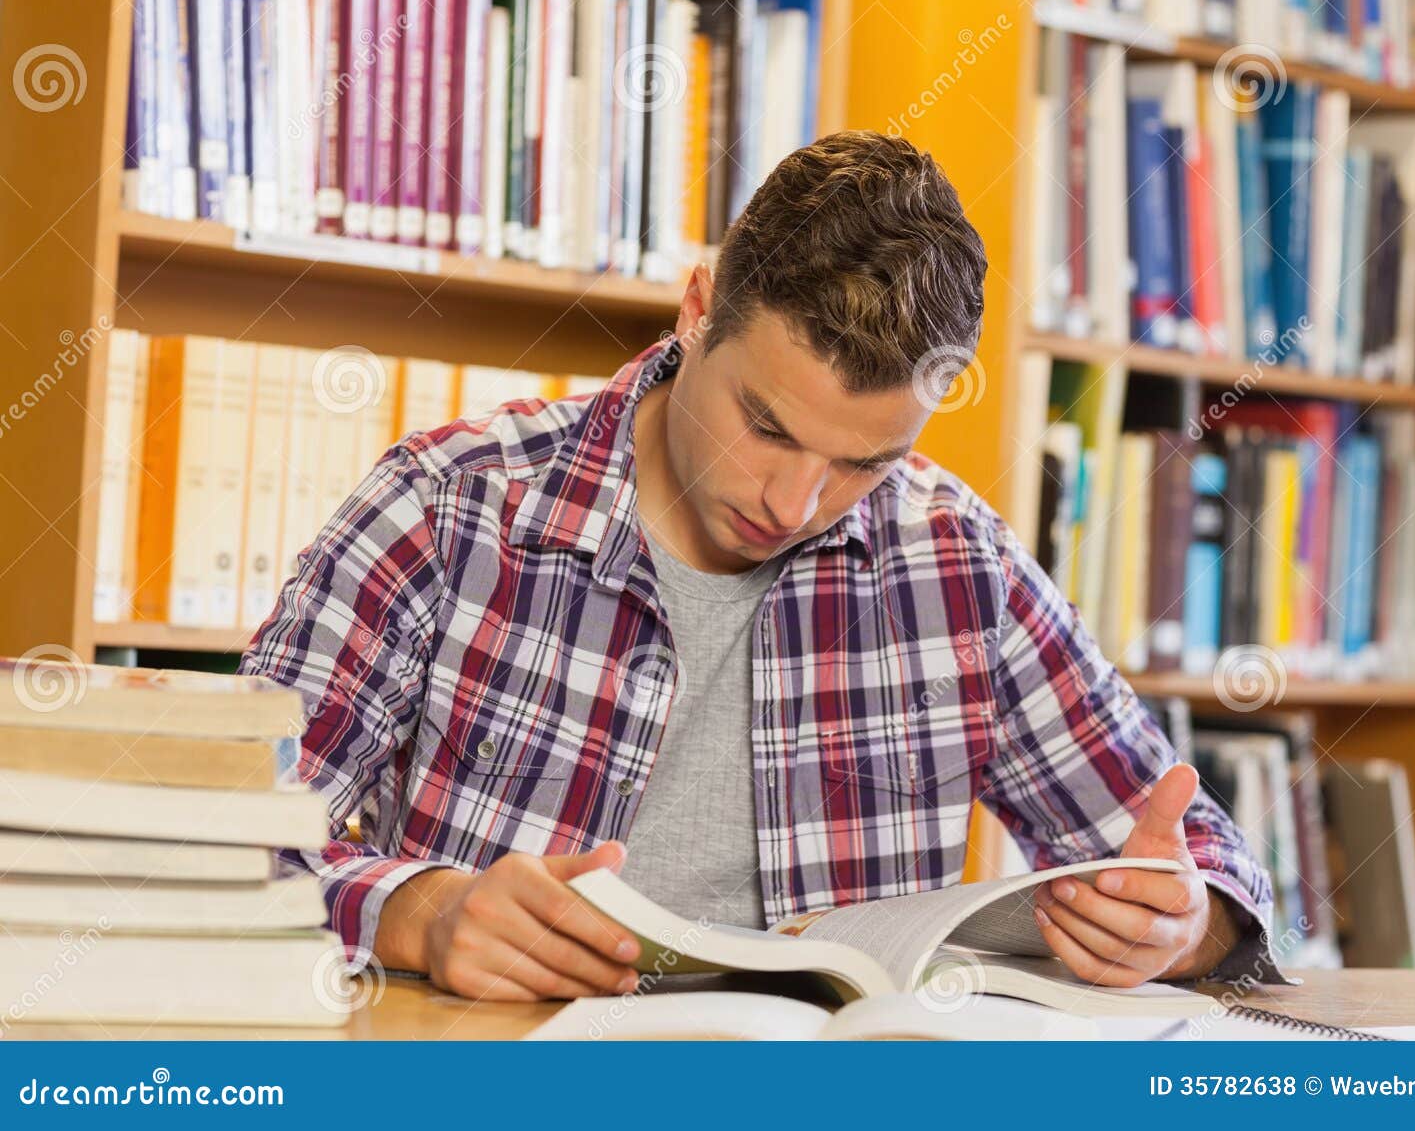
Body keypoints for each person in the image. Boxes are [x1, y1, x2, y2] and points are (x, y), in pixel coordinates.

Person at [241, 131, 1284, 1003]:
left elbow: (1196, 862)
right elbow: (213, 840)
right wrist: (419, 911)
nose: (792, 504)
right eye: (766, 426)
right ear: (696, 309)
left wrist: (1178, 921)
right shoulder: (448, 506)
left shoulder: (958, 562)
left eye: (862, 463)